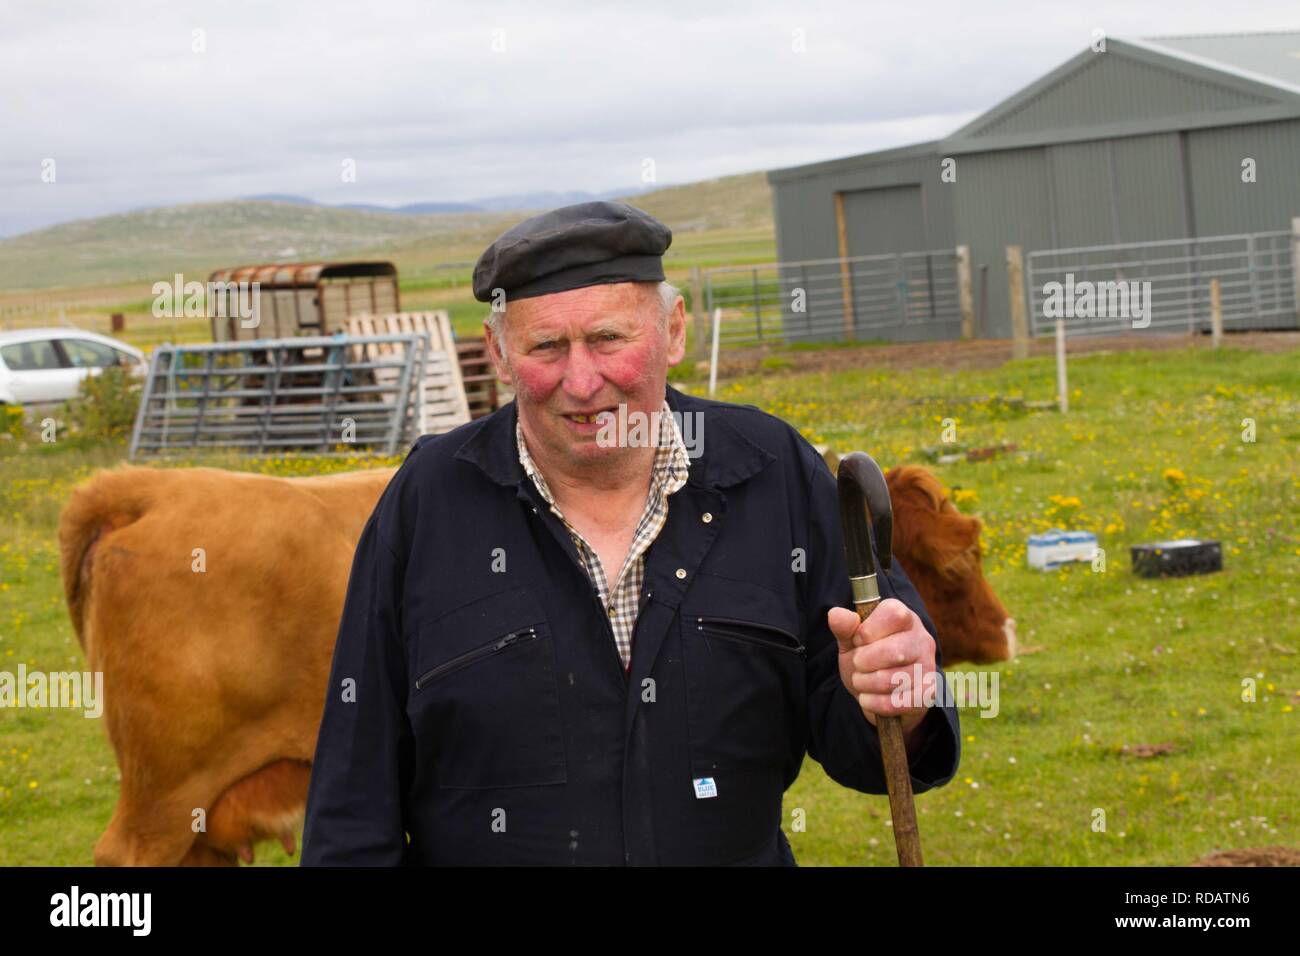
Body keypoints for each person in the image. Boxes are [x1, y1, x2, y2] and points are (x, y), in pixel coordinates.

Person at [300, 201, 960, 866]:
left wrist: (897, 698)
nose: (582, 382)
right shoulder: (427, 504)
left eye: (609, 339)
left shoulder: (772, 471)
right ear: (498, 352)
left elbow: (877, 750)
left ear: (673, 330)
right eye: (546, 347)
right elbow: (353, 803)